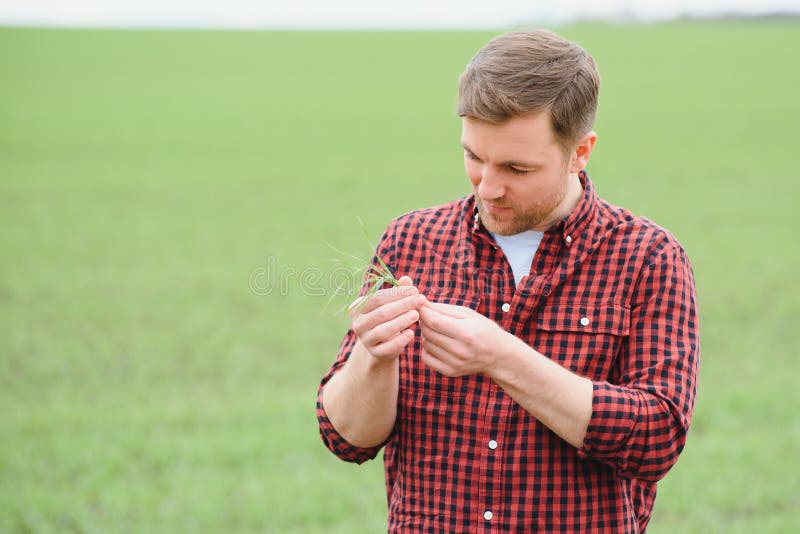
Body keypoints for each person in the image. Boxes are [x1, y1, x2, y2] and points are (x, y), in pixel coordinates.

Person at [316, 29, 699, 533]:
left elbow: (656, 440)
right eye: (474, 157)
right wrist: (374, 356)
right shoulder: (410, 241)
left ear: (580, 152)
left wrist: (502, 357)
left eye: (517, 168)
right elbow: (346, 439)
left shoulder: (648, 258)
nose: (488, 187)